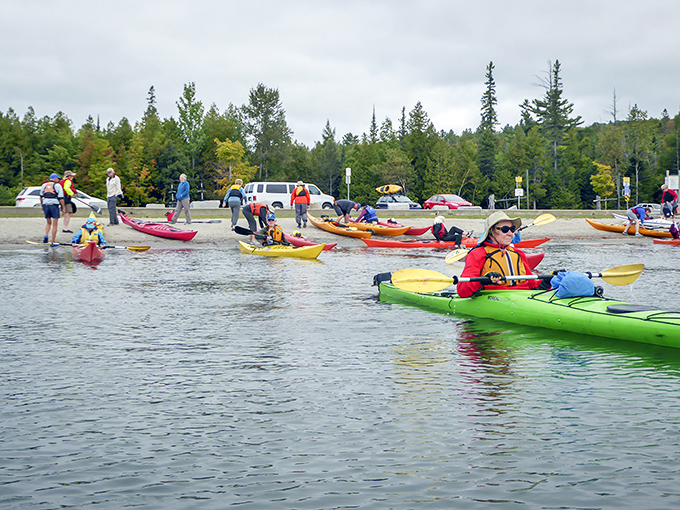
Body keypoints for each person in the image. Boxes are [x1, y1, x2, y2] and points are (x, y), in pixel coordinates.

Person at [457, 211, 543, 298]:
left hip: (523, 295)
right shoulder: (478, 254)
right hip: (494, 297)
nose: (510, 233)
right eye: (505, 229)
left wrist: (548, 281)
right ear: (491, 232)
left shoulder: (518, 253)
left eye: (512, 229)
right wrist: (483, 280)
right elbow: (462, 291)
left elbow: (532, 284)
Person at [40, 173, 65, 246]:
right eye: (58, 178)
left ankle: (46, 235)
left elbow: (41, 197)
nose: (58, 180)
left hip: (46, 205)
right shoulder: (57, 186)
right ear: (55, 179)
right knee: (55, 224)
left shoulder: (44, 185)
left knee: (48, 222)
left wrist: (42, 205)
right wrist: (63, 208)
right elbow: (61, 198)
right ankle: (53, 241)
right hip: (54, 205)